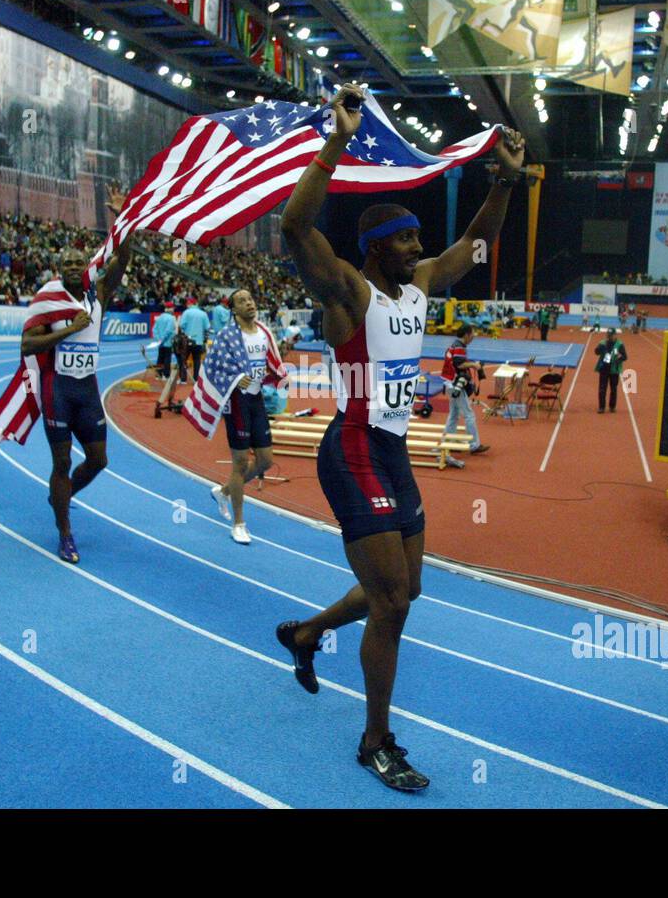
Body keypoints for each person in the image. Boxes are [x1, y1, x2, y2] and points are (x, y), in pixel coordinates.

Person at [274, 82, 525, 792]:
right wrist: (338, 139)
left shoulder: (419, 285)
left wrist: (504, 181)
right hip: (351, 445)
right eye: (408, 239)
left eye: (419, 238)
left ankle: (305, 633)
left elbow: (476, 245)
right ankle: (376, 739)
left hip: (393, 449)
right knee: (390, 603)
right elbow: (295, 229)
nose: (420, 247)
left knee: (403, 589)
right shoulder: (350, 292)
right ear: (378, 248)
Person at [20, 241, 131, 564]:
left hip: (88, 391)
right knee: (62, 463)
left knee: (99, 460)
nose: (71, 266)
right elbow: (28, 344)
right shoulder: (49, 300)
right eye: (65, 262)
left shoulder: (99, 292)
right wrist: (69, 330)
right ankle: (65, 533)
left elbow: (123, 258)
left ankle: (61, 497)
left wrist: (125, 227)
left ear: (86, 266)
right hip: (59, 390)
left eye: (77, 262)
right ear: (59, 268)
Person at [208, 289, 282, 545]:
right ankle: (238, 523)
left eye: (251, 299)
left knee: (265, 461)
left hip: (257, 399)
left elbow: (272, 361)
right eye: (242, 301)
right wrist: (238, 378)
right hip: (237, 401)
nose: (249, 303)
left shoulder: (264, 331)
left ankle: (224, 491)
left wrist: (278, 376)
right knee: (240, 463)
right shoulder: (227, 335)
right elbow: (213, 366)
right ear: (233, 310)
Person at [442, 323, 489, 455]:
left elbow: (458, 362)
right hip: (456, 384)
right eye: (472, 333)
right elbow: (459, 364)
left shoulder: (455, 345)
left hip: (450, 383)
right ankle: (474, 445)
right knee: (469, 414)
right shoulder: (459, 347)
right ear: (467, 334)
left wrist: (472, 364)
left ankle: (449, 442)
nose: (473, 336)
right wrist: (474, 365)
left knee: (454, 414)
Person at [595, 327, 628, 413]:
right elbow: (596, 352)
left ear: (615, 335)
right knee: (602, 388)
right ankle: (601, 407)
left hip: (614, 370)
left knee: (613, 389)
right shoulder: (603, 343)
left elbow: (625, 357)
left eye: (611, 335)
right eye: (608, 335)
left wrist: (620, 357)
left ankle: (612, 406)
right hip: (604, 369)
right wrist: (599, 348)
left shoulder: (620, 344)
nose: (609, 337)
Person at [178, 298, 210, 381]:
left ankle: (183, 379)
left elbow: (182, 325)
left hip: (187, 341)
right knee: (197, 360)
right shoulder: (203, 314)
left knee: (183, 360)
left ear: (189, 304)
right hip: (199, 341)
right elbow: (208, 327)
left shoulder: (186, 312)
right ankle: (196, 379)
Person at [151, 303, 177, 378]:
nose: (174, 310)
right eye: (173, 308)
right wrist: (163, 339)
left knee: (160, 358)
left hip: (160, 343)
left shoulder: (159, 317)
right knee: (167, 359)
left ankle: (158, 374)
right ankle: (166, 375)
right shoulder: (171, 318)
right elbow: (168, 331)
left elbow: (154, 330)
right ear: (170, 308)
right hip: (167, 342)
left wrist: (158, 339)